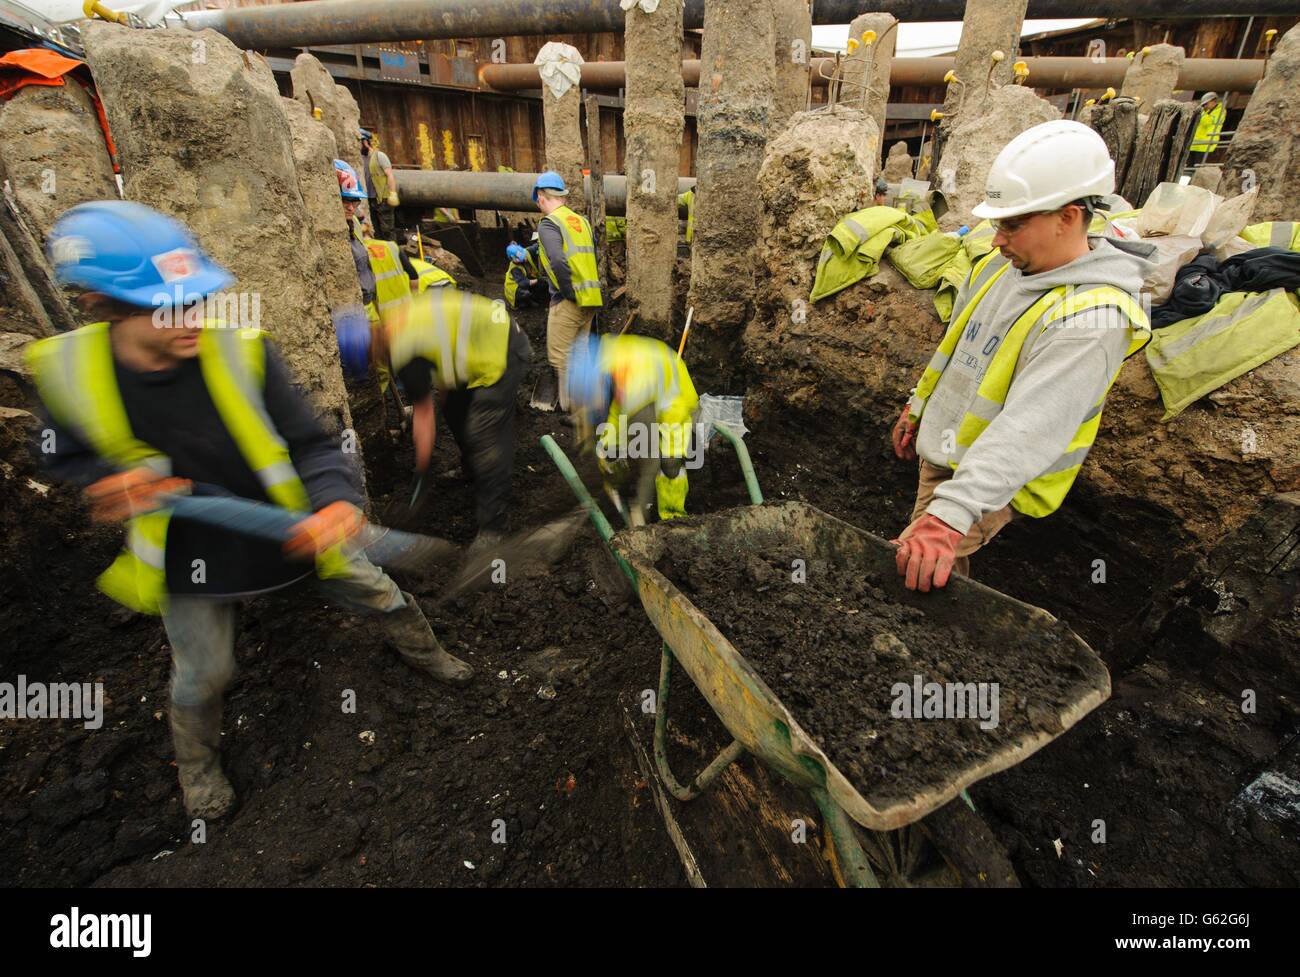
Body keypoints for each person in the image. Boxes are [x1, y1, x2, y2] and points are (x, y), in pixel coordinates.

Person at [28, 201, 473, 819]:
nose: (193, 317)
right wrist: (102, 480)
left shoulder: (245, 354)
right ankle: (198, 769)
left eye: (196, 299)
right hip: (191, 550)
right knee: (203, 674)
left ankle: (432, 656)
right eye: (171, 305)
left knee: (380, 593)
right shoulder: (70, 371)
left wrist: (338, 506)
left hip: (295, 529)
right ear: (102, 305)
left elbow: (314, 444)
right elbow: (59, 452)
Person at [890, 120, 1153, 592]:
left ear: (1068, 217)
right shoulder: (999, 266)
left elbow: (1029, 428)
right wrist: (921, 404)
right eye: (998, 222)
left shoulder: (1093, 318)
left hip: (998, 474)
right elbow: (958, 349)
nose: (997, 238)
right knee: (932, 568)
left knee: (918, 558)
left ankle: (933, 649)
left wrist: (948, 515)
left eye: (1013, 223)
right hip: (949, 446)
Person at [337, 287, 531, 546]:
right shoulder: (397, 321)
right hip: (480, 346)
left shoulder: (404, 353)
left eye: (370, 361)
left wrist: (422, 469)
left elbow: (424, 415)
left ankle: (492, 529)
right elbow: (443, 355)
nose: (374, 365)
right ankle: (473, 470)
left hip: (502, 350)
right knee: (454, 411)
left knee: (484, 432)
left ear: (371, 351)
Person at [565, 333, 697, 526]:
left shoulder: (638, 386)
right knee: (614, 447)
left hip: (676, 402)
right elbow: (616, 413)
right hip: (640, 395)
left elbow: (652, 456)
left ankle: (672, 518)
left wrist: (639, 511)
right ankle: (622, 483)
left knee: (669, 463)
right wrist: (608, 450)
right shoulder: (607, 362)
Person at [533, 171, 602, 409]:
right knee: (580, 355)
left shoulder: (549, 224)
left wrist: (568, 292)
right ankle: (588, 405)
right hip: (591, 299)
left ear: (541, 196)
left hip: (569, 300)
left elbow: (558, 261)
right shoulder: (581, 221)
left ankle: (569, 408)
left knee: (560, 358)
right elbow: (590, 257)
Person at [359, 127, 399, 241]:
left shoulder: (379, 156)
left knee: (387, 230)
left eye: (359, 143)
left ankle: (393, 254)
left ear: (365, 142)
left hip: (383, 199)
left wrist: (392, 193)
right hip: (370, 200)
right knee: (376, 231)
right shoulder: (361, 159)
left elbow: (389, 175)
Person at [1188, 92, 1227, 164]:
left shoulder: (1220, 111)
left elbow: (1207, 121)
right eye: (1203, 105)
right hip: (1195, 143)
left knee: (1197, 166)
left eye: (1206, 104)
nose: (1205, 106)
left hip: (1205, 145)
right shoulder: (1207, 111)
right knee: (1189, 165)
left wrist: (1201, 112)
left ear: (1213, 101)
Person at [503, 241, 542, 309]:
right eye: (522, 258)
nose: (525, 258)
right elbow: (523, 283)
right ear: (513, 260)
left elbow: (536, 246)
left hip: (522, 282)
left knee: (536, 285)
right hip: (514, 289)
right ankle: (524, 302)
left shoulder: (526, 251)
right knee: (525, 294)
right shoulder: (515, 269)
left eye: (524, 255)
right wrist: (539, 280)